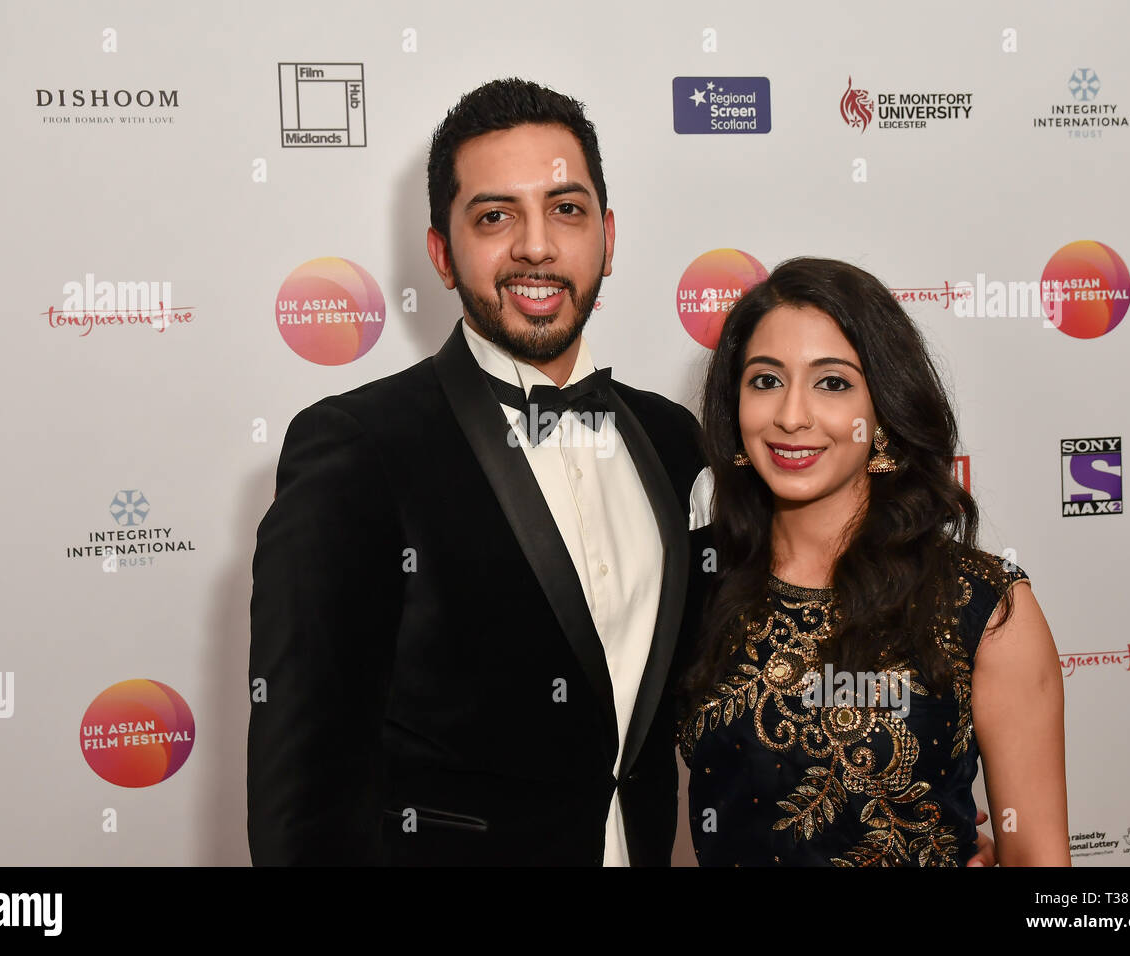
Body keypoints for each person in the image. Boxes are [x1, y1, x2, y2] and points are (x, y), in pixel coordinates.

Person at [247, 78, 709, 865]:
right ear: (441, 254)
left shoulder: (673, 440)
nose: (537, 246)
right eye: (496, 216)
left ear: (607, 235)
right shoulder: (357, 449)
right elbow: (305, 792)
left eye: (566, 209)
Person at [678, 257, 1069, 866]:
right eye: (766, 380)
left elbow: (1039, 866)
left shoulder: (981, 605)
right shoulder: (687, 580)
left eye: (832, 383)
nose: (791, 416)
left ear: (883, 410)